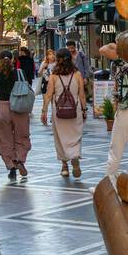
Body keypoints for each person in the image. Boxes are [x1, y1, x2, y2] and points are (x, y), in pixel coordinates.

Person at [98, 41, 128, 179]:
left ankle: (109, 181)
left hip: (126, 111)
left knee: (115, 150)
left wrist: (119, 45)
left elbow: (103, 49)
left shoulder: (122, 62)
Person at [42, 47, 86, 179]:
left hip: (59, 112)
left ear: (57, 60)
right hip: (75, 110)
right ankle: (75, 157)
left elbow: (49, 95)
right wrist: (84, 110)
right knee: (75, 136)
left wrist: (44, 111)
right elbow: (82, 95)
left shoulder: (54, 76)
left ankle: (65, 167)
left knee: (60, 138)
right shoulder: (77, 74)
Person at [0, 50, 31, 182]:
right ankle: (20, 160)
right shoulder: (19, 72)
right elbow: (26, 88)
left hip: (2, 108)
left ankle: (11, 167)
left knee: (4, 139)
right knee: (22, 135)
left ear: (0, 59)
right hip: (19, 107)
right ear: (13, 59)